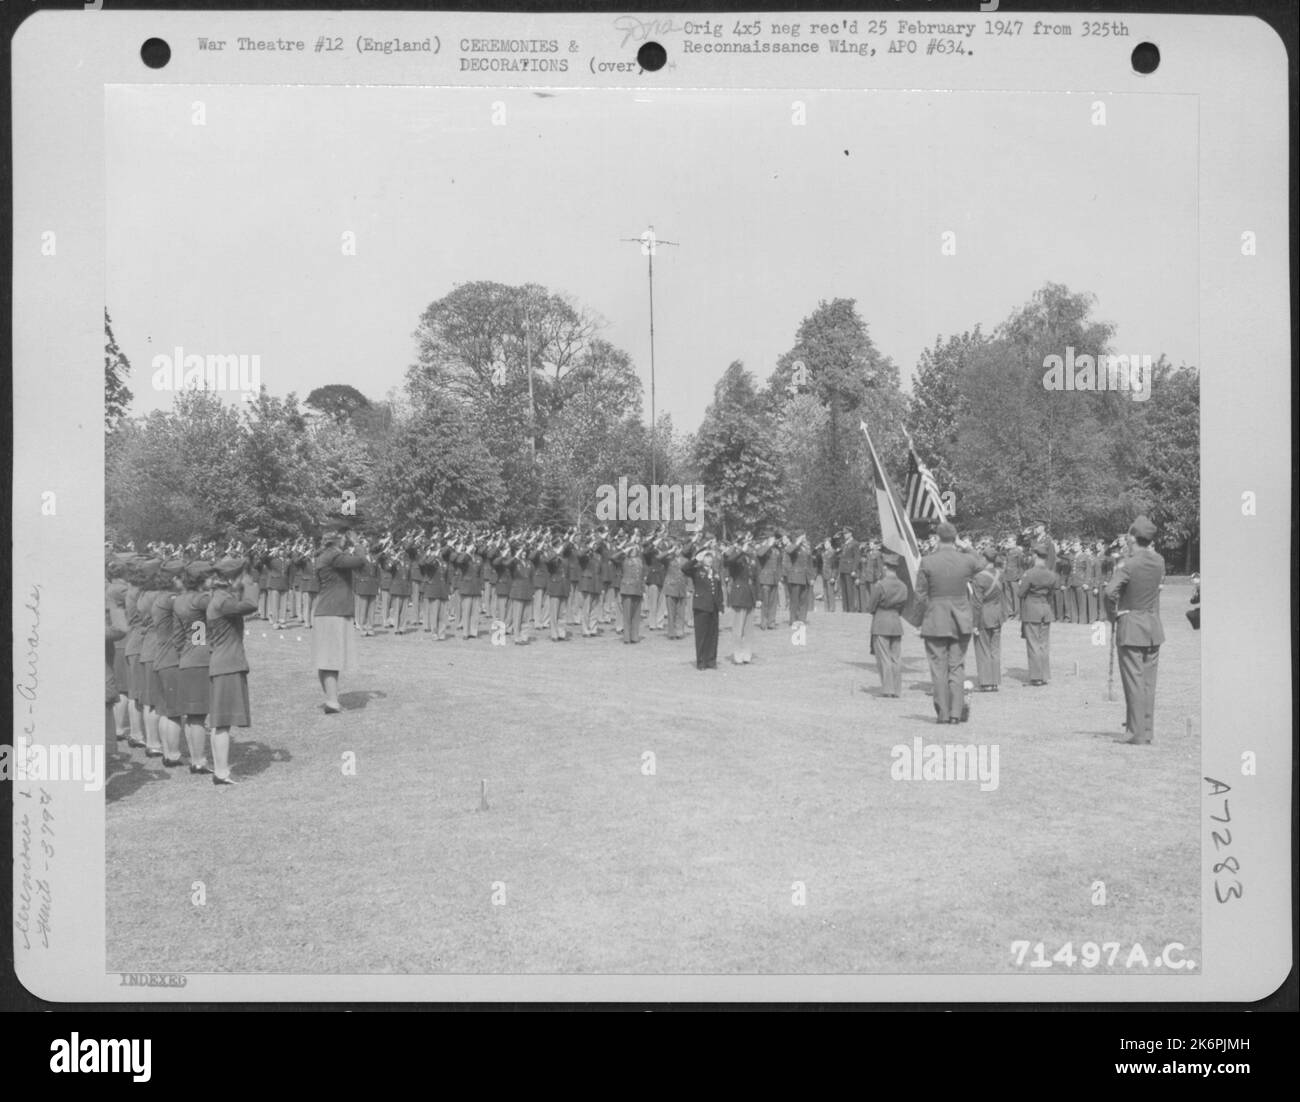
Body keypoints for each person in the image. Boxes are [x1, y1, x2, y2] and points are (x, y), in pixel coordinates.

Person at [1106, 516, 1166, 745]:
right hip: (1152, 626)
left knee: (1134, 683)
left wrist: (1114, 615)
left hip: (1132, 626)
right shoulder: (1159, 560)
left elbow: (1109, 592)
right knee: (1148, 684)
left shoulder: (1128, 564)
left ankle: (1135, 733)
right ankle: (1147, 731)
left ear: (1132, 537)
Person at [914, 522, 983, 723]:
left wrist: (919, 622)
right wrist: (966, 546)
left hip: (935, 619)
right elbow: (982, 565)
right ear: (955, 538)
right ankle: (955, 713)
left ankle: (943, 714)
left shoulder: (927, 561)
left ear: (937, 538)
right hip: (960, 619)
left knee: (938, 668)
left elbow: (920, 595)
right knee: (956, 667)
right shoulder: (966, 560)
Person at [206, 557, 260, 785]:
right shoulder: (222, 600)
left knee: (220, 721)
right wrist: (251, 585)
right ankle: (221, 772)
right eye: (240, 575)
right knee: (222, 722)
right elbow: (250, 605)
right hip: (227, 664)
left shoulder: (216, 598)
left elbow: (199, 632)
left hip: (222, 661)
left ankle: (219, 769)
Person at [312, 516, 366, 711]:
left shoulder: (327, 555)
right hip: (332, 611)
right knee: (330, 659)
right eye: (345, 536)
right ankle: (332, 701)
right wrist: (358, 543)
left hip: (328, 610)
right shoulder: (333, 556)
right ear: (339, 538)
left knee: (326, 658)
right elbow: (360, 560)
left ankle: (331, 698)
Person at [173, 559, 214, 774]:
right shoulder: (203, 599)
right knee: (198, 714)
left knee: (191, 715)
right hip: (201, 657)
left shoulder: (179, 600)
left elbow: (177, 637)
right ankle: (199, 761)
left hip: (187, 657)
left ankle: (195, 758)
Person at [866, 552, 908, 696]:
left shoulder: (880, 585)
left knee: (884, 658)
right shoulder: (903, 586)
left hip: (881, 622)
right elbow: (903, 607)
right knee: (896, 658)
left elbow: (871, 606)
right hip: (896, 622)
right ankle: (896, 690)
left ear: (885, 567)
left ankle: (887, 689)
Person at [1017, 543, 1058, 685]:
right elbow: (1052, 594)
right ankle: (1045, 675)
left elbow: (1020, 593)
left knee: (1033, 644)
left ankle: (1036, 677)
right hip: (1045, 609)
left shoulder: (1030, 573)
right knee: (1044, 644)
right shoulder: (1052, 574)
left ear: (1035, 556)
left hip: (1032, 610)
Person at [682, 541, 726, 670]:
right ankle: (701, 662)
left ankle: (711, 660)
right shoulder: (696, 570)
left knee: (713, 635)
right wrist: (696, 559)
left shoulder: (715, 572)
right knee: (701, 635)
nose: (709, 559)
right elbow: (684, 568)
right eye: (706, 556)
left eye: (710, 556)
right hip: (701, 606)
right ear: (702, 558)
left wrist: (721, 604)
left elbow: (718, 589)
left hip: (713, 607)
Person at [971, 548, 1005, 691]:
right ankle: (995, 681)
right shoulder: (1000, 574)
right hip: (997, 615)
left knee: (983, 648)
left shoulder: (979, 577)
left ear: (985, 559)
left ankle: (986, 683)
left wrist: (974, 624)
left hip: (984, 615)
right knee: (995, 649)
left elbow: (977, 603)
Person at [723, 535, 757, 663]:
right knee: (738, 629)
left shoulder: (750, 558)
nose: (748, 546)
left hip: (749, 595)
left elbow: (755, 577)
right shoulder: (734, 557)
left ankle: (747, 654)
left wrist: (757, 597)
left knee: (748, 630)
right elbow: (728, 562)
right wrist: (740, 550)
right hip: (739, 594)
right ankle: (737, 655)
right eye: (745, 544)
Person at [838, 529, 859, 613]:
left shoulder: (855, 543)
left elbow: (857, 557)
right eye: (844, 534)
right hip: (843, 568)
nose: (845, 535)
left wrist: (854, 569)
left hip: (849, 568)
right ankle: (845, 608)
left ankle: (851, 608)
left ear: (851, 533)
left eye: (846, 533)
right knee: (844, 589)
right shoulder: (844, 544)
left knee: (850, 589)